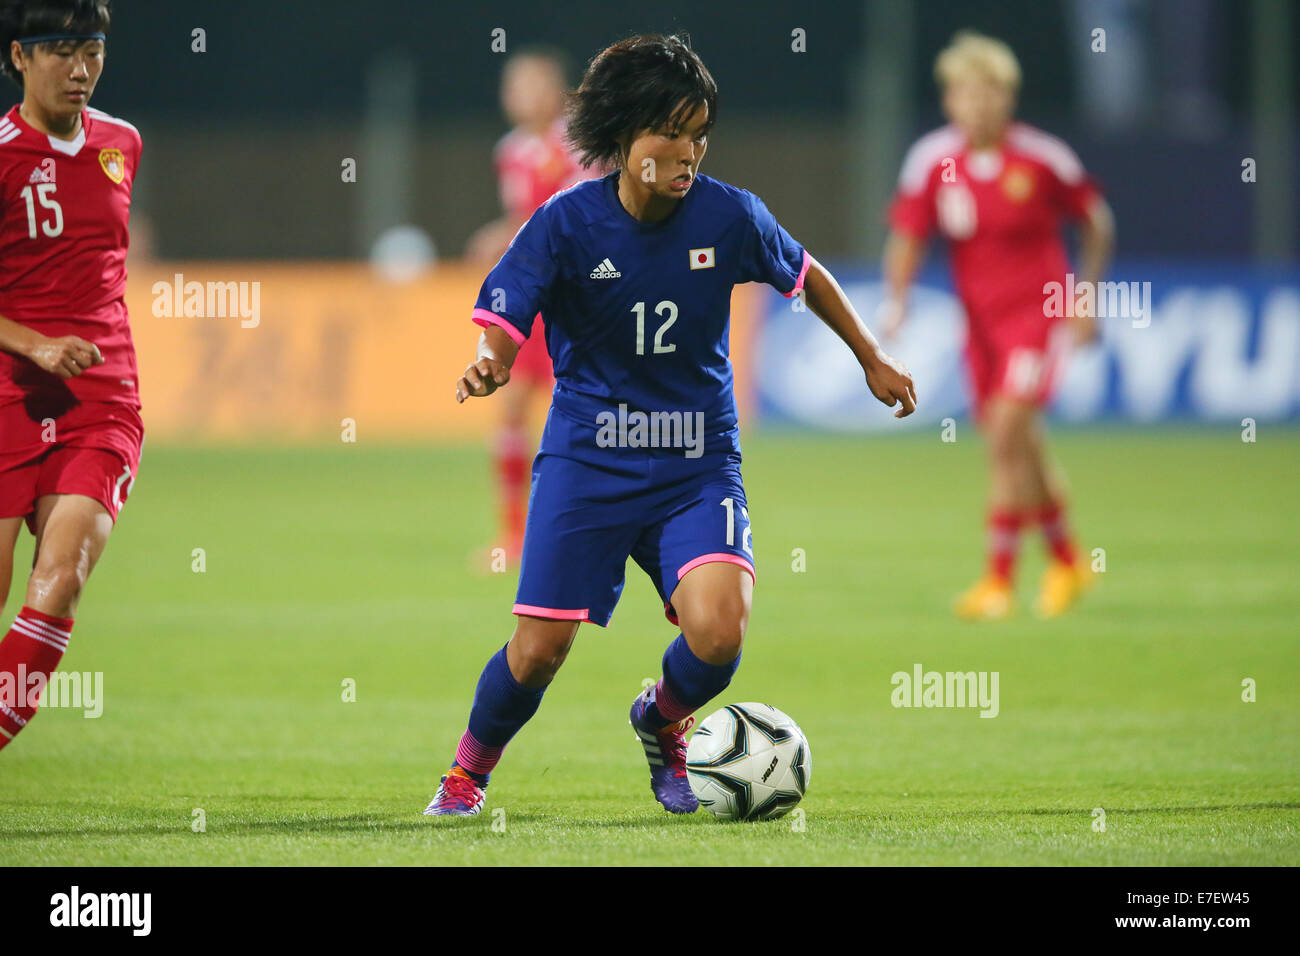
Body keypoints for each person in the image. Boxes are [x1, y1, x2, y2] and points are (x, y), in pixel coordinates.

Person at [427, 34, 916, 817]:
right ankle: (466, 775)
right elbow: (507, 313)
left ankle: (660, 719)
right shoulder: (564, 225)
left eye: (700, 134)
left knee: (721, 635)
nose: (689, 152)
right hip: (589, 461)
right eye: (673, 133)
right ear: (625, 135)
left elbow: (806, 274)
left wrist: (870, 356)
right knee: (540, 651)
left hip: (697, 464)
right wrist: (491, 361)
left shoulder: (730, 217)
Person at [881, 30, 1115, 620]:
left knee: (1008, 435)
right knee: (1022, 445)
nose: (979, 103)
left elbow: (1095, 221)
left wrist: (1084, 296)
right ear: (950, 99)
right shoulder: (933, 161)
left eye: (990, 91)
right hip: (980, 326)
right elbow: (908, 237)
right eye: (966, 92)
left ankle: (998, 582)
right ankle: (1068, 562)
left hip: (1038, 316)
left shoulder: (1042, 157)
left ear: (1008, 97)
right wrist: (897, 301)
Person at [0, 0, 144, 750]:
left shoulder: (123, 143)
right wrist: (36, 344)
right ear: (19, 57)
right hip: (5, 399)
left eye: (91, 49)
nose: (80, 67)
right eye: (60, 51)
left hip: (101, 401)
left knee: (60, 580)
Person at [465, 48, 593, 563]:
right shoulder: (511, 151)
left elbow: (565, 215)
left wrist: (500, 236)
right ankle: (513, 535)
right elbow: (523, 218)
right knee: (513, 405)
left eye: (533, 85)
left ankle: (585, 525)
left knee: (579, 413)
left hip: (574, 299)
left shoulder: (578, 143)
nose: (522, 96)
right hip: (530, 301)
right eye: (514, 86)